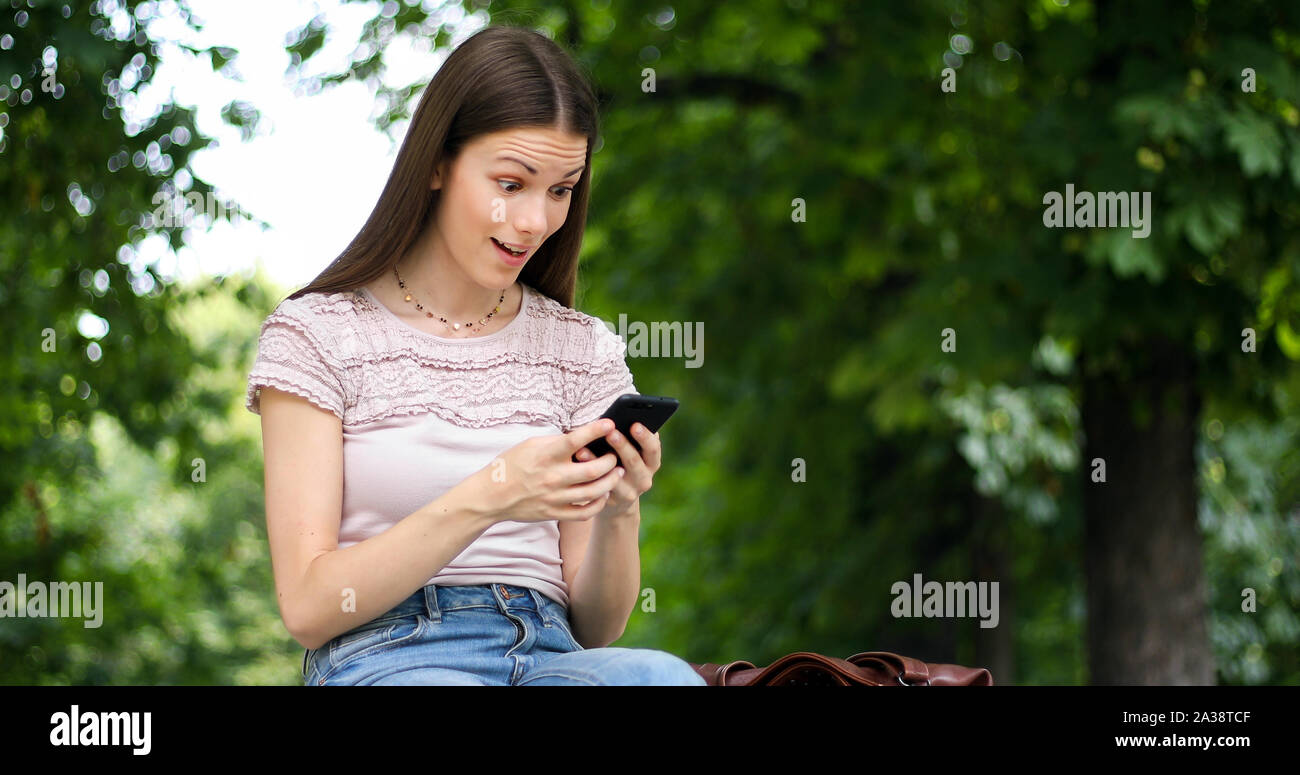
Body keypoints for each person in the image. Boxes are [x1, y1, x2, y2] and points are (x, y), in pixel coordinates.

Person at [244, 24, 704, 686]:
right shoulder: (317, 334)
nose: (535, 222)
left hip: (551, 654)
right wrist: (492, 493)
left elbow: (598, 625)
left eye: (561, 189)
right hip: (389, 655)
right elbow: (310, 607)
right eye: (512, 183)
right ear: (437, 162)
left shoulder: (580, 348)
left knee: (660, 676)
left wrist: (618, 507)